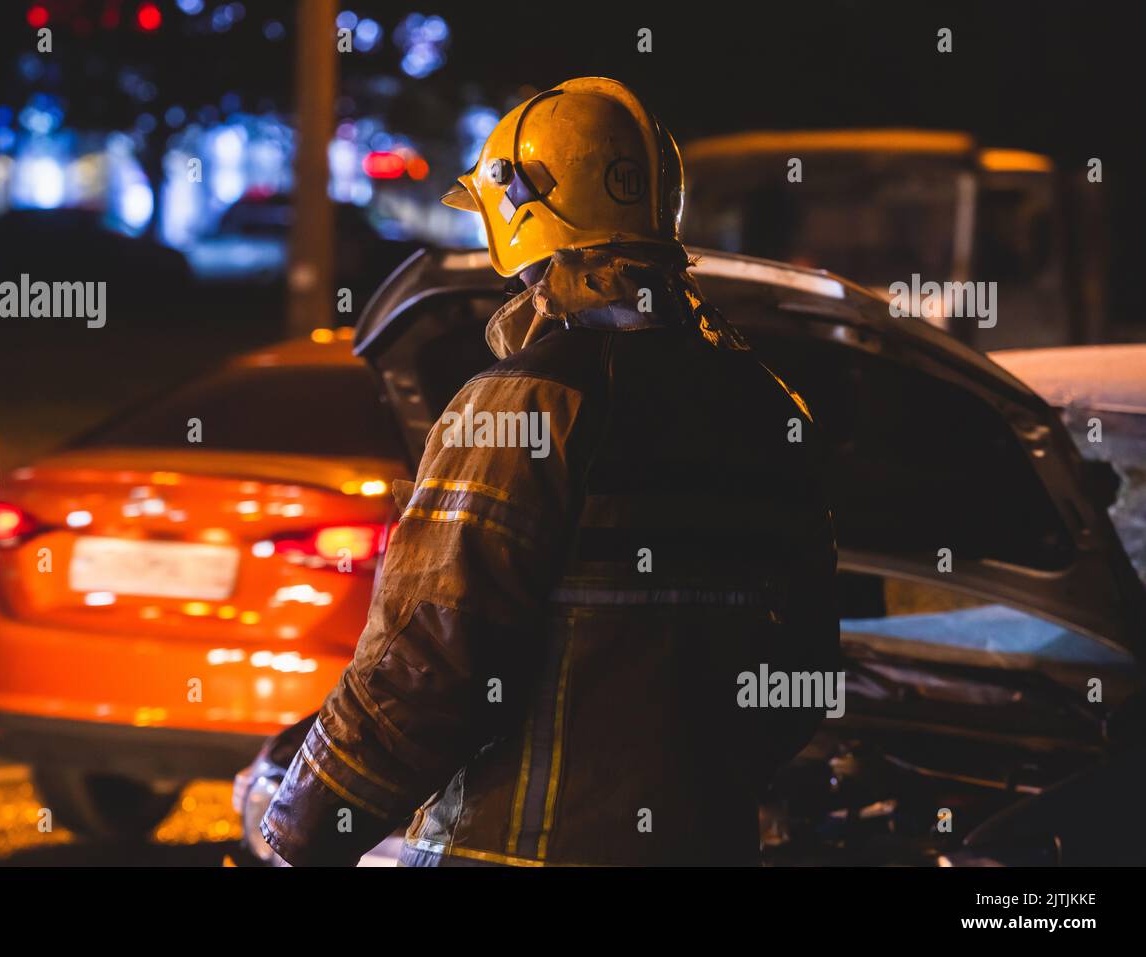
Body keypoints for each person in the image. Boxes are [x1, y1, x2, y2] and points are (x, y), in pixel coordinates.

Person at [261, 76, 838, 866]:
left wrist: (302, 826)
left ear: (516, 212)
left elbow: (429, 658)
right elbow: (802, 668)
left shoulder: (522, 404)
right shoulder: (768, 407)